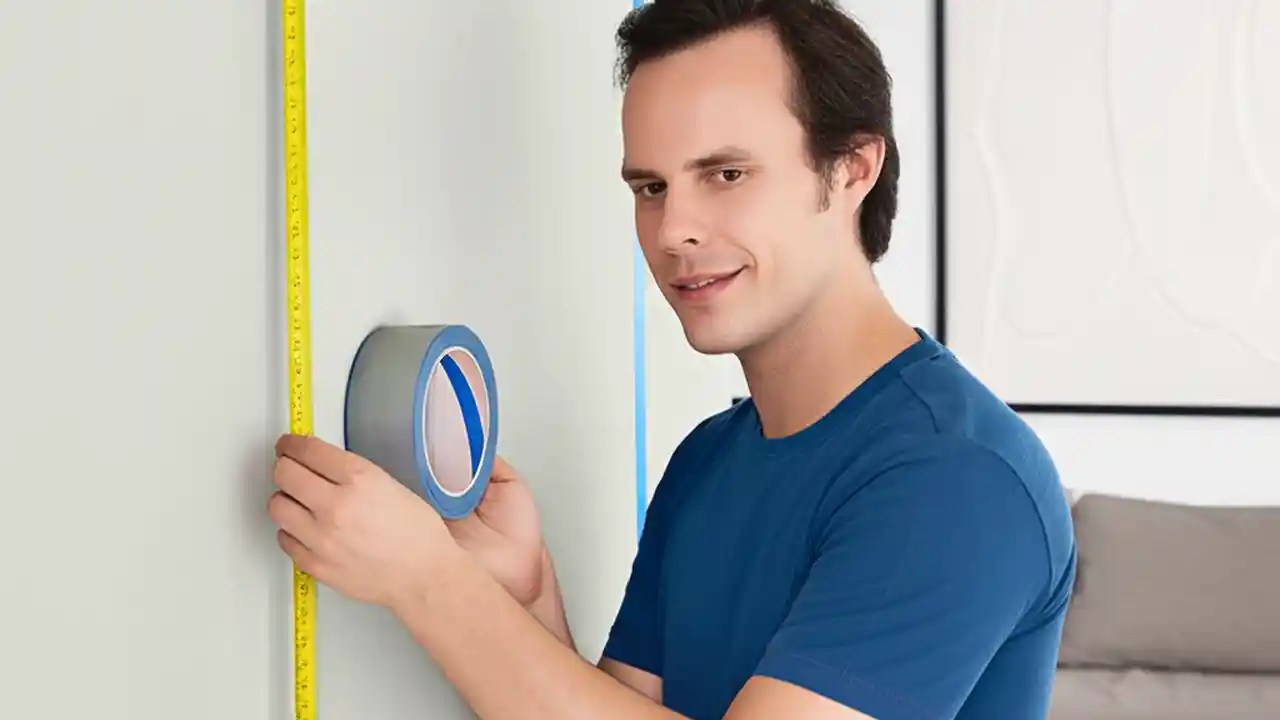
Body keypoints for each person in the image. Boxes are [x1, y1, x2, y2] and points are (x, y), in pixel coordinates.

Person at [266, 1, 1077, 718]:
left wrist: (426, 582)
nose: (673, 231)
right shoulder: (709, 460)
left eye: (726, 174)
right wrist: (524, 594)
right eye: (650, 188)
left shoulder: (954, 479)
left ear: (852, 168)